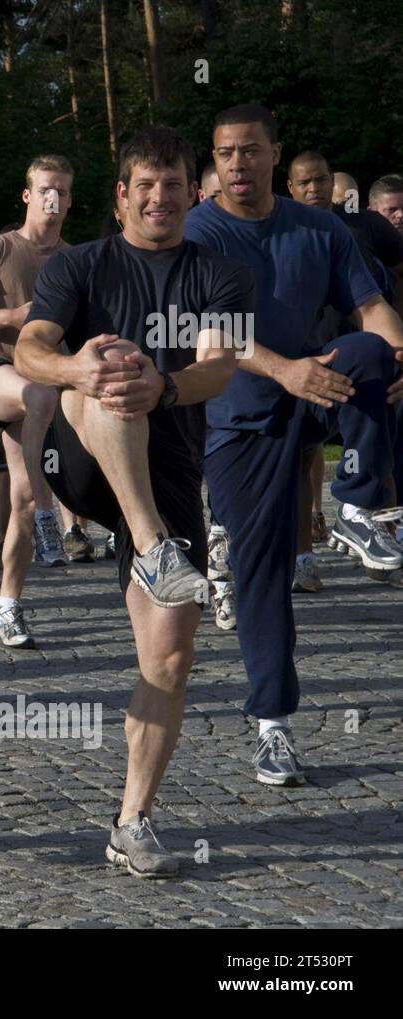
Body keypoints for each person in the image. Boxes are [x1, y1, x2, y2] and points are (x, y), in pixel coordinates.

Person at [16, 125, 252, 877]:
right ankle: (153, 547)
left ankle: (132, 819)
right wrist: (79, 368)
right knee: (113, 356)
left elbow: (220, 363)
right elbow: (29, 348)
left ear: (194, 190)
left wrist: (169, 386)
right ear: (122, 195)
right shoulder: (81, 264)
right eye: (145, 184)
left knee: (172, 657)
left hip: (172, 465)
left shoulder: (221, 271)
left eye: (174, 183)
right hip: (83, 458)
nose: (160, 196)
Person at [185, 104, 403, 787]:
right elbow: (212, 328)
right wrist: (283, 368)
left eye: (250, 150)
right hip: (241, 422)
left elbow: (370, 306)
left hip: (312, 396)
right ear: (214, 162)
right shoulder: (201, 229)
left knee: (371, 351)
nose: (238, 163)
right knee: (262, 576)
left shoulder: (320, 225)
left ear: (275, 154)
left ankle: (361, 507)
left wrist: (399, 351)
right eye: (225, 153)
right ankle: (273, 727)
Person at [0, 156, 74, 648]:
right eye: (45, 189)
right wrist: (13, 316)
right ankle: (52, 513)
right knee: (36, 393)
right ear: (27, 195)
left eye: (62, 191)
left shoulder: (74, 259)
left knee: (20, 492)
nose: (53, 199)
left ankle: (7, 606)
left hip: (52, 384)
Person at [287, 150, 403, 591]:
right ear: (291, 189)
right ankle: (301, 558)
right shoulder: (282, 231)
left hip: (367, 358)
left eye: (321, 180)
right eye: (305, 183)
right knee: (303, 455)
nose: (314, 189)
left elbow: (393, 278)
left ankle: (383, 546)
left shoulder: (364, 227)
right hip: (309, 361)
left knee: (382, 445)